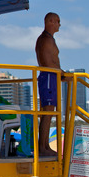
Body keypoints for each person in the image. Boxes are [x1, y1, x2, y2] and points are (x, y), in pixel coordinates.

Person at [35, 12, 70, 156]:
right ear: (50, 21)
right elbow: (48, 62)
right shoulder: (45, 39)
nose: (60, 24)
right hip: (49, 76)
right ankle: (42, 147)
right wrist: (62, 73)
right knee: (48, 112)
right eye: (58, 21)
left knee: (49, 112)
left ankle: (45, 146)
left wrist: (61, 75)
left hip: (51, 76)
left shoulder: (48, 39)